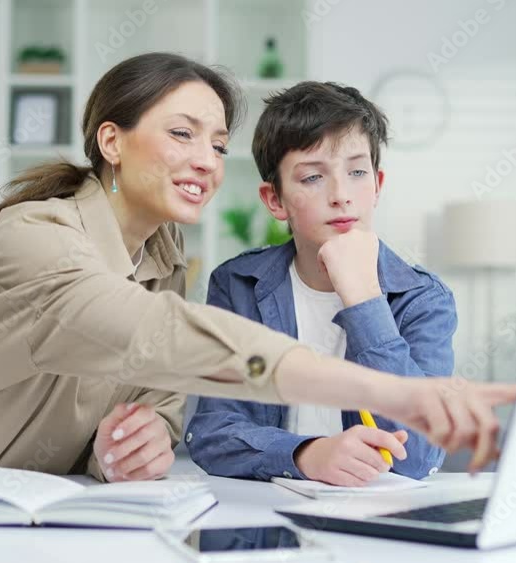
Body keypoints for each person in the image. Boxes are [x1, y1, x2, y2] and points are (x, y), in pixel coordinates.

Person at [0, 53, 516, 483]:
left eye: (219, 143)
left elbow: (159, 414)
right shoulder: (36, 237)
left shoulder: (165, 265)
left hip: (32, 520)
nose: (207, 158)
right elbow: (166, 339)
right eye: (182, 133)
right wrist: (392, 392)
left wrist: (126, 449)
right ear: (110, 140)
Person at [187, 82, 459, 486]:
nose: (341, 195)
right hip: (271, 506)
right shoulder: (237, 284)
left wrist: (365, 299)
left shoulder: (422, 298)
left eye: (356, 172)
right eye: (313, 177)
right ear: (275, 200)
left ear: (378, 186)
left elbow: (419, 456)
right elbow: (211, 432)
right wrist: (308, 454)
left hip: (378, 521)